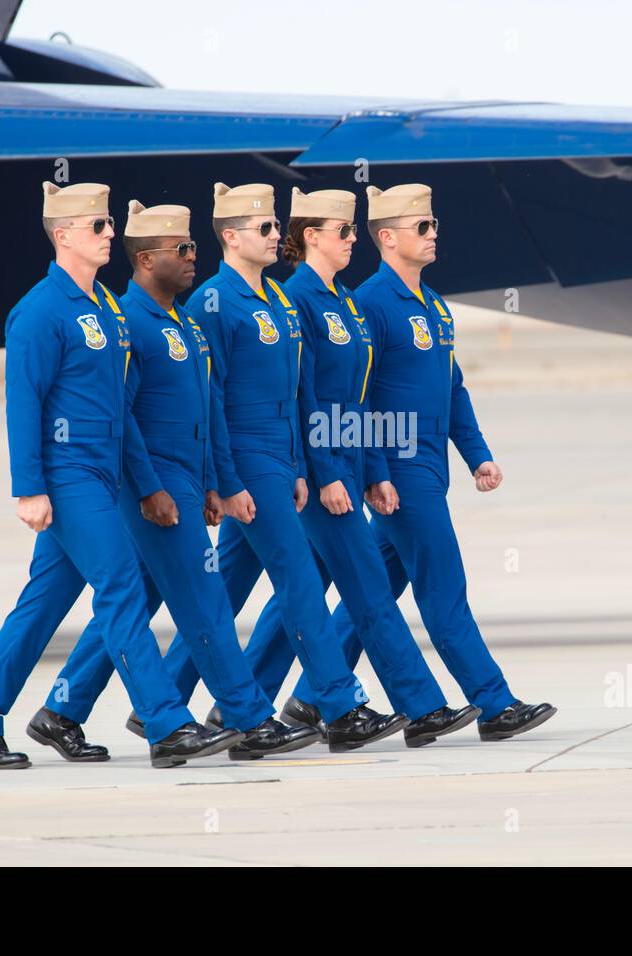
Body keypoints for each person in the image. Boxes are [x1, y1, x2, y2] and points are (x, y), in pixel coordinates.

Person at [0, 181, 241, 770]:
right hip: (67, 473)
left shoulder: (104, 308)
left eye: (109, 225)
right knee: (123, 587)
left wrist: (148, 483)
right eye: (98, 227)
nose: (110, 235)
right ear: (63, 236)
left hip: (106, 473)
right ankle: (167, 723)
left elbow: (121, 409)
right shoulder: (38, 312)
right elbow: (22, 403)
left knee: (43, 605)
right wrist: (28, 487)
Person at [39, 199, 318, 761]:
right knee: (202, 597)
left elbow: (209, 407)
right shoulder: (128, 322)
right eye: (182, 249)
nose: (194, 256)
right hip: (154, 486)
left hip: (188, 481)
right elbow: (126, 421)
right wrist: (148, 489)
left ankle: (62, 710)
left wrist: (215, 481)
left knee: (142, 597)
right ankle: (249, 716)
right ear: (145, 260)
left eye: (194, 246)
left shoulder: (185, 320)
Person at [294, 183, 557, 742]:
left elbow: (453, 389)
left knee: (374, 592)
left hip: (430, 466)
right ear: (387, 238)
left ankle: (308, 700)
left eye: (434, 225)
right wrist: (378, 472)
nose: (434, 234)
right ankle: (494, 703)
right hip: (400, 467)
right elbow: (358, 397)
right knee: (443, 587)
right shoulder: (369, 304)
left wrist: (477, 456)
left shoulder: (434, 307)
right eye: (423, 227)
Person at [160, 182, 406, 752]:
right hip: (243, 455)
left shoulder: (274, 299)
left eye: (276, 226)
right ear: (229, 237)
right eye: (265, 228)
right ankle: (340, 705)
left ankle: (172, 698)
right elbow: (210, 398)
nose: (277, 236)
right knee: (297, 574)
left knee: (222, 587)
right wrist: (225, 481)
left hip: (280, 456)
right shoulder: (213, 303)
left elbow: (298, 392)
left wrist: (299, 465)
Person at [237, 186, 480, 748]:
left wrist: (371, 469)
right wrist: (326, 474)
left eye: (353, 230)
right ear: (312, 237)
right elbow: (305, 399)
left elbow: (364, 399)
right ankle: (415, 707)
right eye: (344, 232)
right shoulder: (296, 298)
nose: (353, 240)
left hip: (346, 459)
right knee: (362, 588)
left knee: (296, 593)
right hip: (308, 466)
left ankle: (247, 707)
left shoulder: (343, 300)